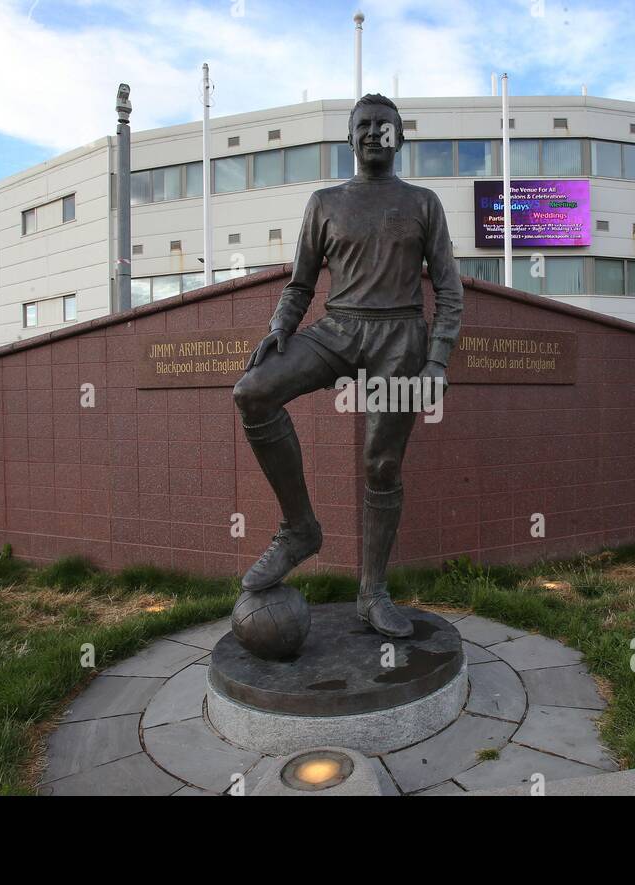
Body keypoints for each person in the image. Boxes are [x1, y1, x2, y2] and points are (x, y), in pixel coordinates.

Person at [232, 93, 463, 638]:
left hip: (401, 340)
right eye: (363, 125)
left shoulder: (424, 202)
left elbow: (449, 292)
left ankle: (372, 593)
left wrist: (436, 360)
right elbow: (301, 283)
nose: (373, 133)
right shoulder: (324, 202)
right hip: (338, 329)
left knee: (381, 466)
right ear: (350, 138)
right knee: (253, 392)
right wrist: (278, 330)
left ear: (400, 138)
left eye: (385, 125)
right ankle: (299, 529)